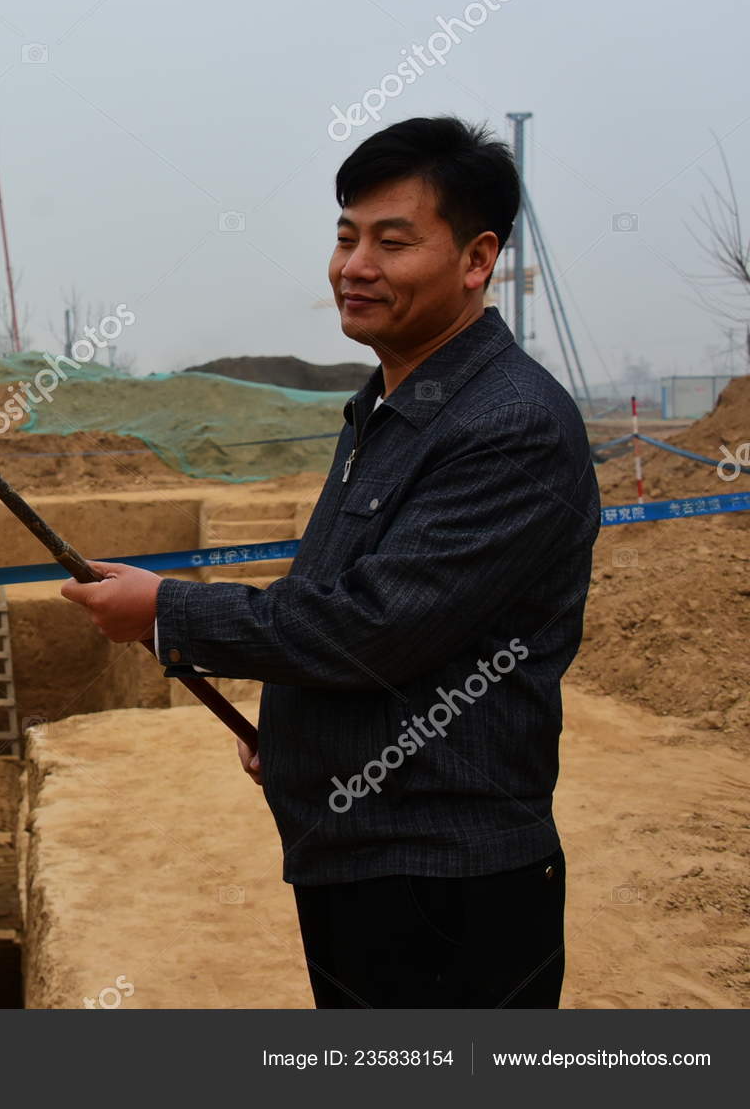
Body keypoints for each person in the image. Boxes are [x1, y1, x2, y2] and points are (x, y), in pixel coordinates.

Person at [60, 116, 599, 1009]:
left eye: (393, 241)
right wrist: (302, 740)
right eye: (347, 237)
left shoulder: (509, 424)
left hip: (446, 883)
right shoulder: (384, 407)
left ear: (477, 259)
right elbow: (341, 602)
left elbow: (371, 628)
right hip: (363, 854)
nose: (355, 266)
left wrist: (166, 611)